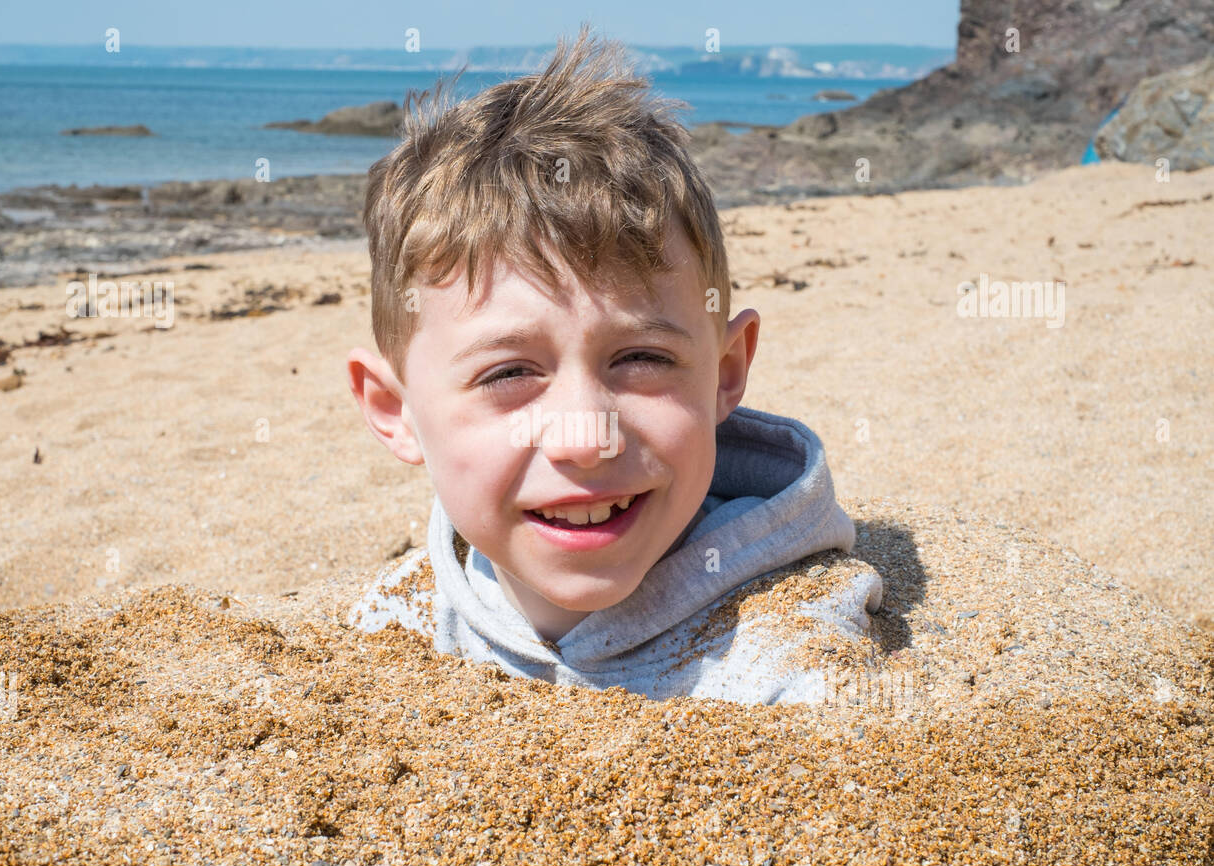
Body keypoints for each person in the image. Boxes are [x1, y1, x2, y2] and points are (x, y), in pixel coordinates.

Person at [346, 23, 883, 704]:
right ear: (393, 410)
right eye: (510, 373)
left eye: (639, 358)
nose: (586, 439)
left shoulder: (787, 658)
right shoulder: (397, 620)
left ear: (723, 373)